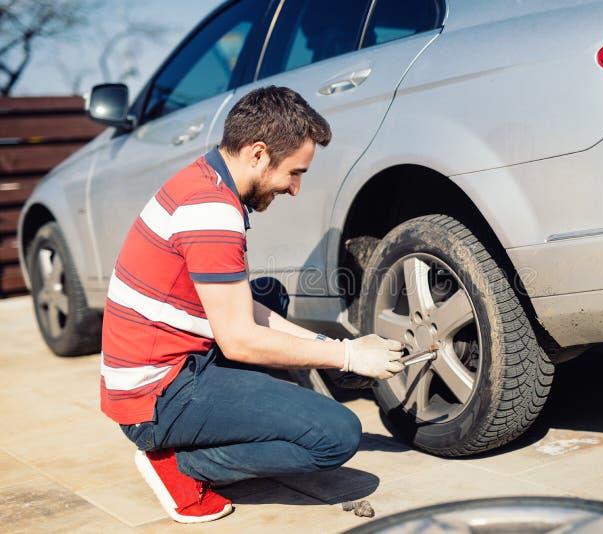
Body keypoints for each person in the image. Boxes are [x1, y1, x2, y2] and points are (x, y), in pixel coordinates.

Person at [99, 86, 404, 523]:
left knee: (267, 294)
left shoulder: (207, 178)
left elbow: (248, 311)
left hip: (159, 367)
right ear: (258, 154)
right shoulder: (210, 210)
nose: (296, 189)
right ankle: (178, 466)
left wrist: (329, 347)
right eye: (295, 173)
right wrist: (348, 356)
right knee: (337, 435)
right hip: (155, 397)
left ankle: (270, 411)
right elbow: (240, 339)